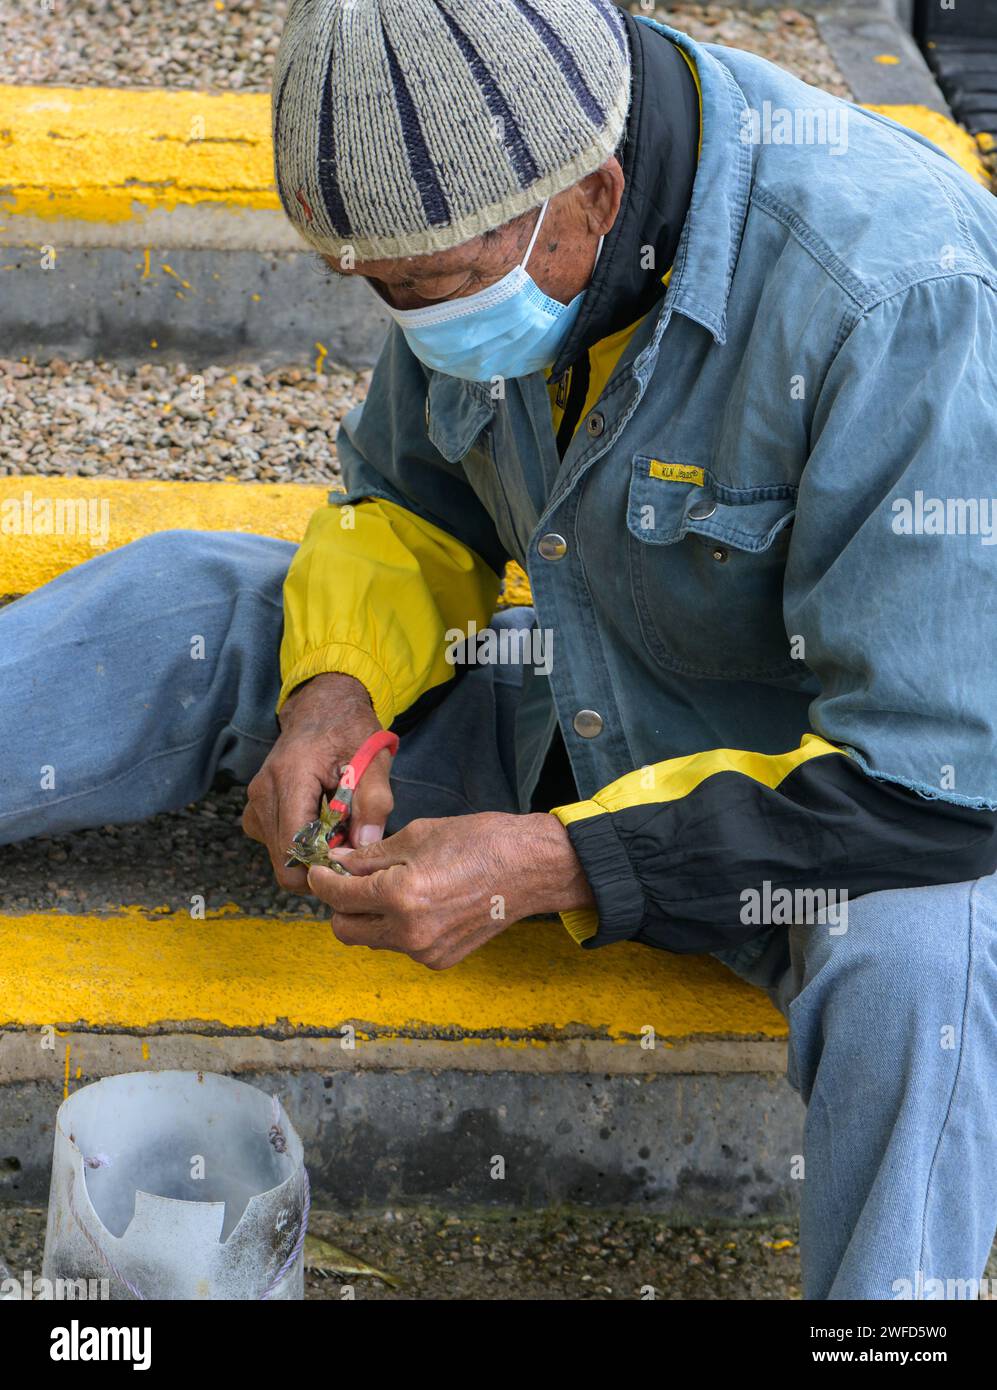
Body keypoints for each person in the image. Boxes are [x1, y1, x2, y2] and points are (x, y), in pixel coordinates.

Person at [2, 0, 996, 1300]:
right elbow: (409, 501)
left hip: (826, 815)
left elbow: (934, 782)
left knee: (924, 968)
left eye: (423, 291)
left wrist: (549, 863)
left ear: (591, 194)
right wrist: (334, 695)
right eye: (378, 290)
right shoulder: (500, 193)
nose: (415, 324)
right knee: (203, 593)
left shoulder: (896, 294)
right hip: (581, 700)